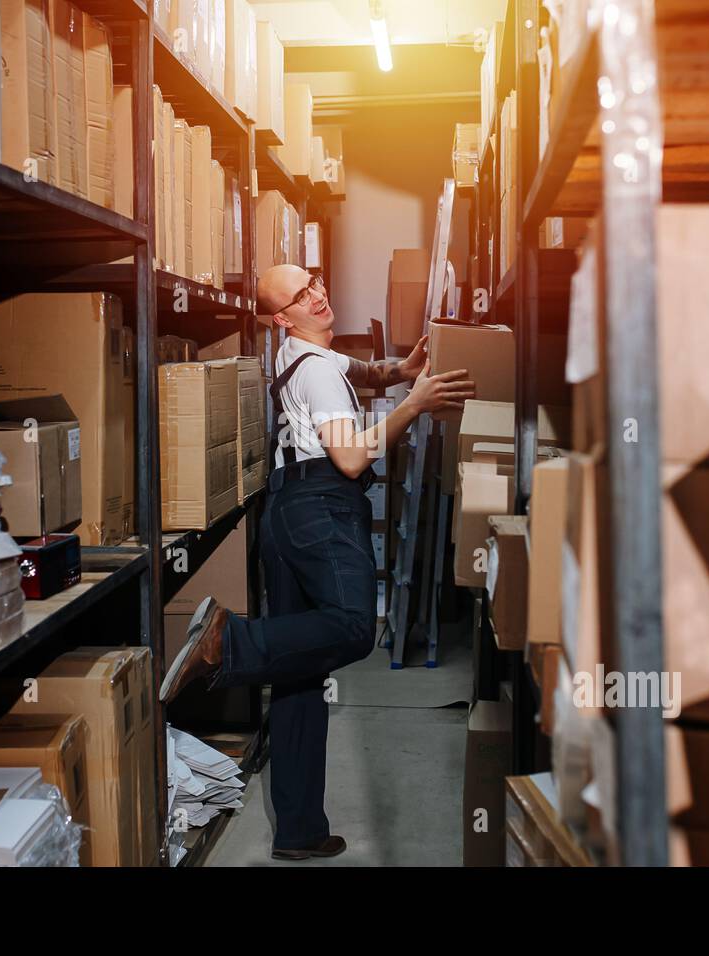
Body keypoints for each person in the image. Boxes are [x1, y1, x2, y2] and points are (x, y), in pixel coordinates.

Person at [159, 263, 475, 860]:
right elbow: (352, 460)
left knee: (301, 674)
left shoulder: (299, 357)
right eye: (300, 294)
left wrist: (398, 372)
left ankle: (300, 831)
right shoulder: (320, 376)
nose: (318, 293)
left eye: (316, 281)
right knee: (355, 626)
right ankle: (229, 646)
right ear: (282, 318)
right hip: (321, 505)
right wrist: (415, 400)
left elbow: (357, 370)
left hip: (283, 509)